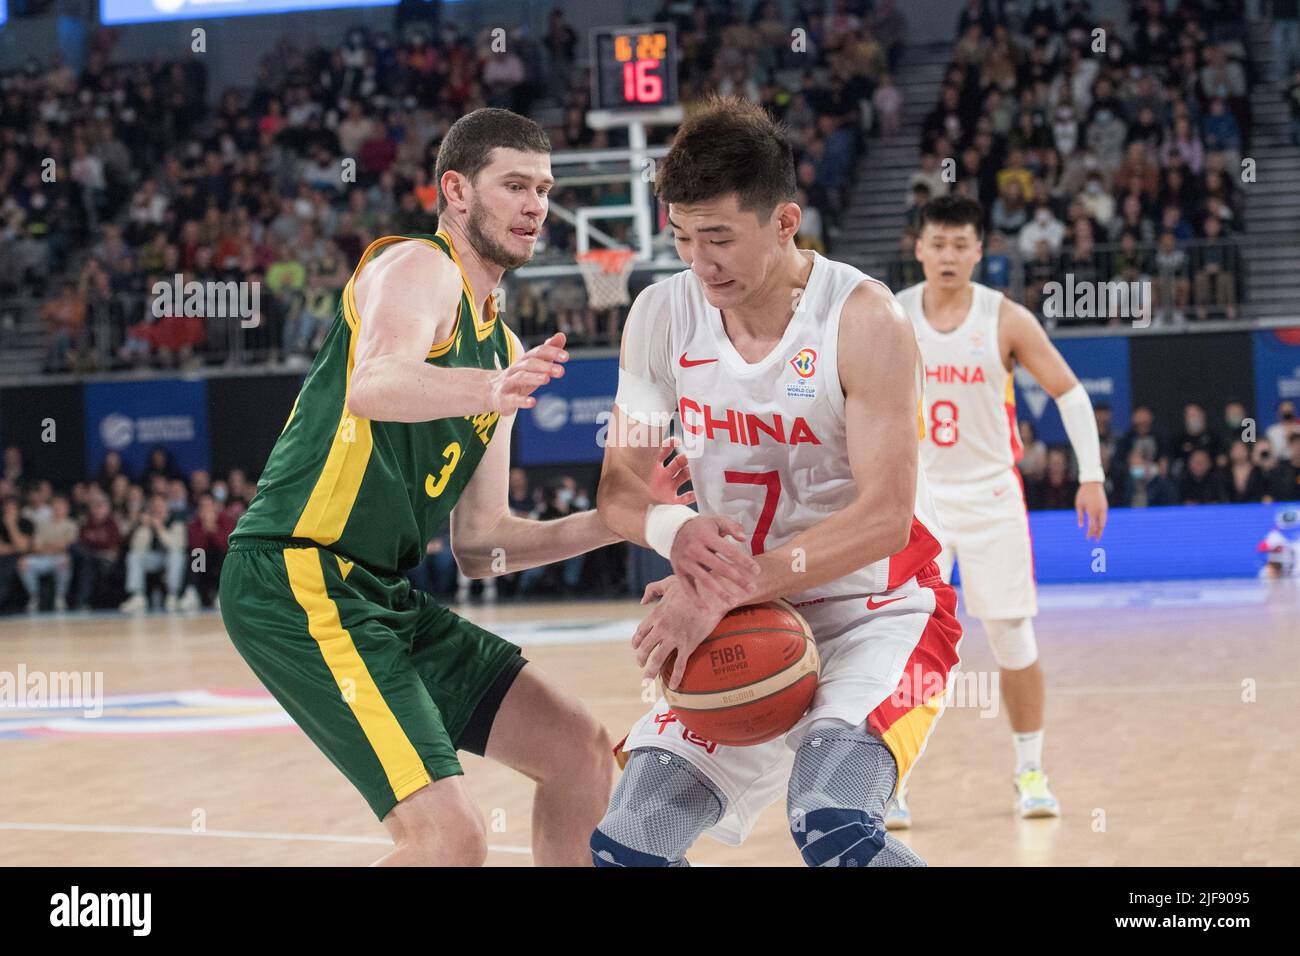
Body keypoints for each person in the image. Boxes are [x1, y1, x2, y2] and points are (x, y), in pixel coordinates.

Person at [219, 107, 677, 867]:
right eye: (515, 185)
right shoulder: (418, 267)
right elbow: (374, 383)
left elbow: (483, 544)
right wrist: (492, 389)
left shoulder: (503, 345)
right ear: (457, 191)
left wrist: (620, 517)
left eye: (544, 189)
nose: (536, 206)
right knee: (451, 839)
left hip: (382, 595)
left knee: (581, 752)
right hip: (298, 573)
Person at [590, 96, 962, 868]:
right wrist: (677, 533)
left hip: (881, 611)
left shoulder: (864, 321)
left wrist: (731, 585)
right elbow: (620, 489)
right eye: (683, 238)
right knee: (628, 847)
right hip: (745, 618)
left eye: (720, 237)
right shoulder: (660, 315)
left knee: (834, 828)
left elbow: (887, 517)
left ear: (786, 221)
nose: (700, 261)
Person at [893, 194, 1110, 825]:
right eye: (939, 243)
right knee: (899, 642)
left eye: (962, 244)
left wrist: (1091, 476)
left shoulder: (1005, 318)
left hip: (992, 493)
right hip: (918, 497)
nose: (949, 255)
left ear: (979, 250)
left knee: (1012, 634)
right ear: (920, 248)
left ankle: (1030, 770)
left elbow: (1069, 393)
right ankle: (890, 781)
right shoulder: (892, 314)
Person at [119, 493, 188, 611]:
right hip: (153, 559)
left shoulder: (176, 521)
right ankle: (137, 596)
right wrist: (144, 528)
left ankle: (172, 595)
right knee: (134, 556)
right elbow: (137, 548)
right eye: (154, 506)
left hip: (169, 558)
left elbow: (176, 546)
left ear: (167, 506)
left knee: (177, 555)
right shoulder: (145, 523)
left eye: (160, 506)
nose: (157, 509)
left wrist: (159, 528)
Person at [17, 493, 78, 612]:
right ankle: (34, 596)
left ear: (67, 508)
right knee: (23, 562)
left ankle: (60, 598)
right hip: (42, 558)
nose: (57, 508)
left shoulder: (71, 524)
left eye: (61, 506)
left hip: (59, 558)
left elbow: (66, 546)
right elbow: (35, 546)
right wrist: (53, 547)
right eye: (55, 505)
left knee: (64, 561)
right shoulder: (43, 524)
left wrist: (48, 546)